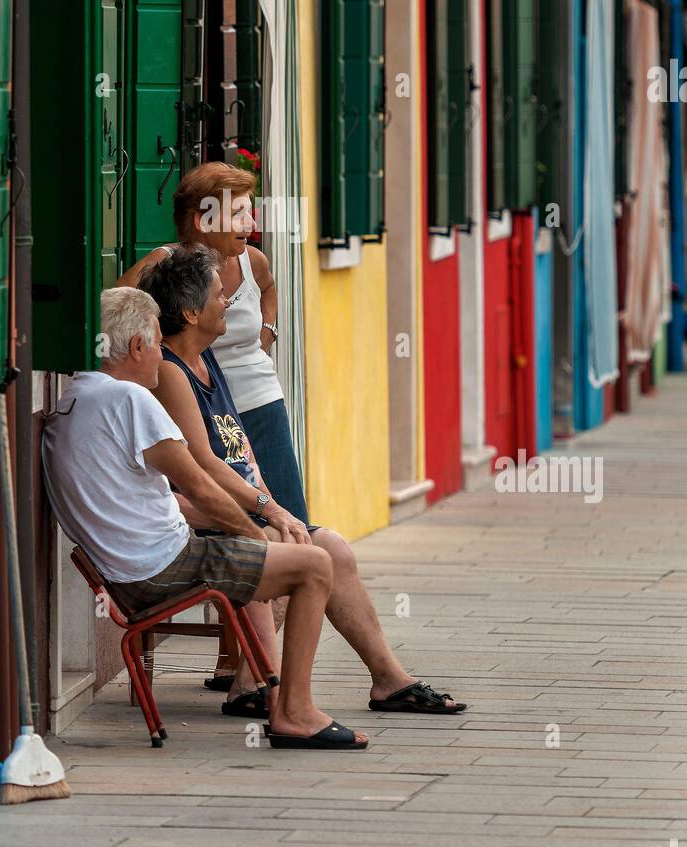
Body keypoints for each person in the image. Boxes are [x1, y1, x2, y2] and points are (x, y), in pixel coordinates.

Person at [137, 246, 468, 718]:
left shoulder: (205, 360)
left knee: (334, 547)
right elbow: (204, 465)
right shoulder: (171, 371)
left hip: (240, 509)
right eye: (217, 293)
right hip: (203, 517)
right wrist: (269, 510)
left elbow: (240, 451)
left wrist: (273, 507)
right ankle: (259, 686)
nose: (228, 298)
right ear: (190, 312)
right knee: (303, 553)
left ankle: (388, 680)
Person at [41, 286, 368, 750]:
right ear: (137, 347)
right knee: (315, 565)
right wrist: (256, 535)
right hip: (161, 569)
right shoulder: (129, 401)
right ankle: (294, 712)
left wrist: (251, 533)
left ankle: (269, 692)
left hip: (131, 572)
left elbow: (159, 500)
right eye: (157, 342)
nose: (161, 354)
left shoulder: (77, 400)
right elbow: (199, 485)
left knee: (297, 555)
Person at [116, 162, 307, 526]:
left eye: (249, 213)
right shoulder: (168, 264)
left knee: (289, 511)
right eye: (237, 214)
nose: (250, 225)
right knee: (232, 518)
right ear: (202, 218)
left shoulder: (253, 261)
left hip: (259, 399)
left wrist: (268, 331)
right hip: (202, 410)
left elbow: (268, 289)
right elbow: (115, 306)